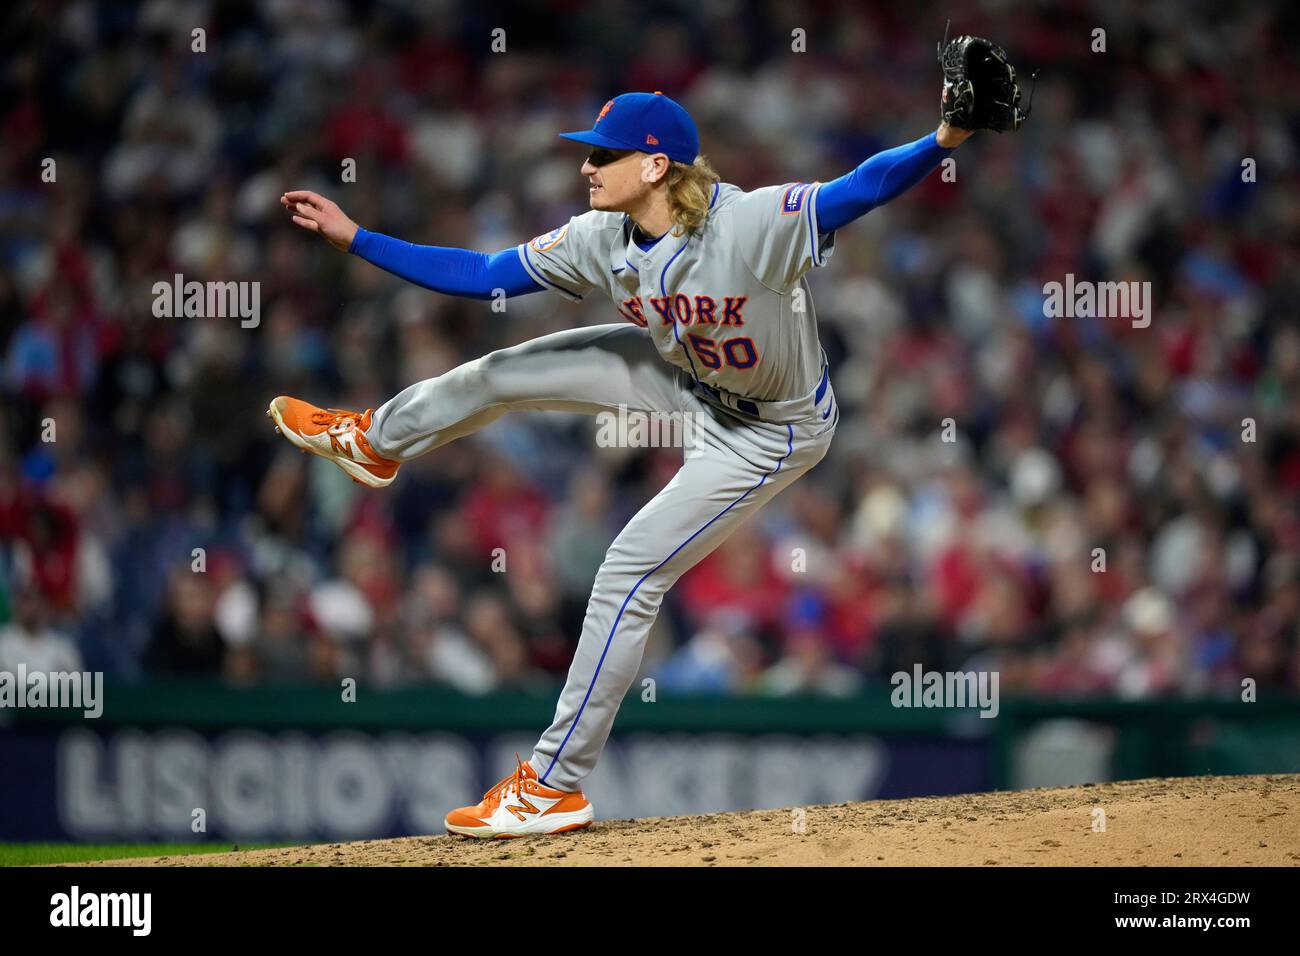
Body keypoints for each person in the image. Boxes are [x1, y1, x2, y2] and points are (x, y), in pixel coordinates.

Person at [271, 91, 972, 838]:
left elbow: (860, 188)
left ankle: (552, 787)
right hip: (682, 374)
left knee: (628, 571)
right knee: (501, 372)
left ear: (657, 165)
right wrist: (359, 238)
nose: (587, 164)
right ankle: (376, 443)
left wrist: (944, 137)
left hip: (770, 430)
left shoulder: (745, 225)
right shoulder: (601, 236)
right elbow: (484, 275)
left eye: (605, 153)